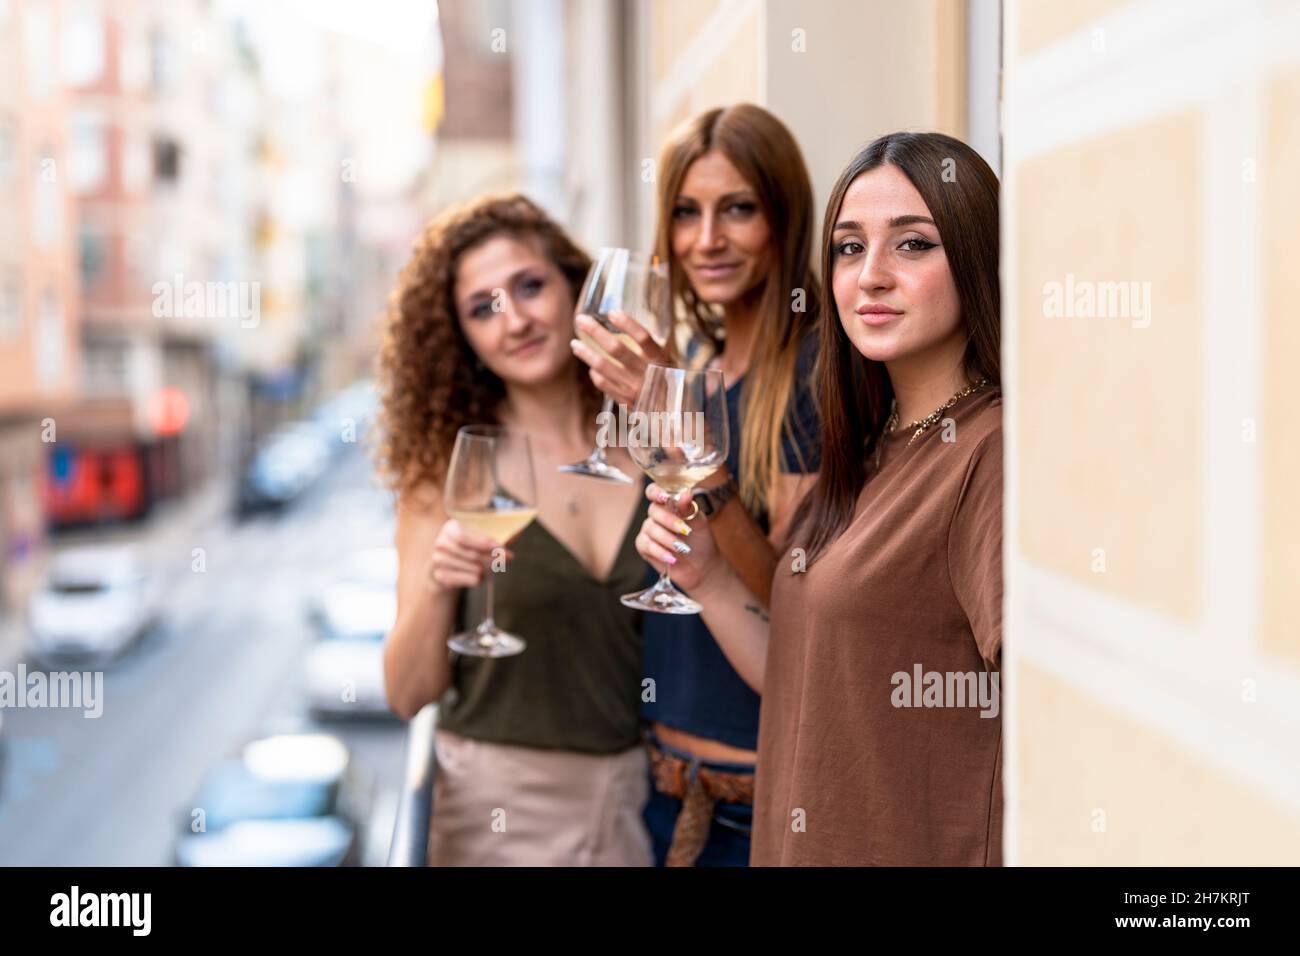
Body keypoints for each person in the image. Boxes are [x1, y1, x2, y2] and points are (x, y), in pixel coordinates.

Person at [635, 131, 1003, 865]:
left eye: (913, 245)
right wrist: (705, 579)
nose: (870, 276)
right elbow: (801, 675)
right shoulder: (865, 449)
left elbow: (1054, 715)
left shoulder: (991, 450)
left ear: (975, 257)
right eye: (848, 247)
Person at [376, 193, 671, 866]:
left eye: (530, 286)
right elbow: (406, 693)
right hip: (495, 812)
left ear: (574, 286)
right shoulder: (449, 469)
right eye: (484, 308)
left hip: (633, 800)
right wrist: (436, 584)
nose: (515, 320)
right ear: (463, 339)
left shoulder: (647, 444)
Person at [571, 103, 822, 866]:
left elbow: (793, 594)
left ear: (783, 217)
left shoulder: (815, 370)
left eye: (737, 209)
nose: (706, 239)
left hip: (750, 800)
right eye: (686, 212)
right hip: (665, 789)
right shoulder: (702, 364)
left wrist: (680, 427)